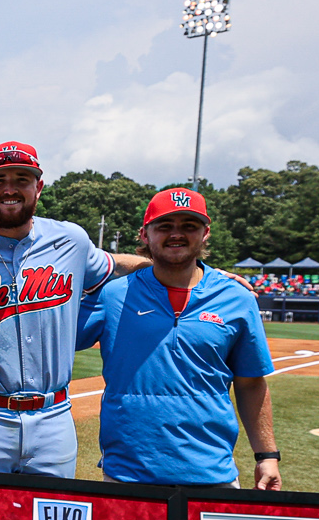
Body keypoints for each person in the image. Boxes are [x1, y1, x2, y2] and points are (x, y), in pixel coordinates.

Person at [0, 142, 150, 477]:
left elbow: (114, 266)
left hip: (53, 419)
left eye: (22, 179)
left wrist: (196, 272)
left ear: (38, 188)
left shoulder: (71, 240)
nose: (10, 189)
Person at [78, 188, 281, 489]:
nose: (177, 234)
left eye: (189, 226)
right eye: (164, 226)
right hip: (127, 474)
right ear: (144, 235)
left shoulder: (236, 298)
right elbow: (51, 336)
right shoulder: (112, 296)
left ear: (205, 233)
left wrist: (266, 455)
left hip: (213, 474)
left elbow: (251, 382)